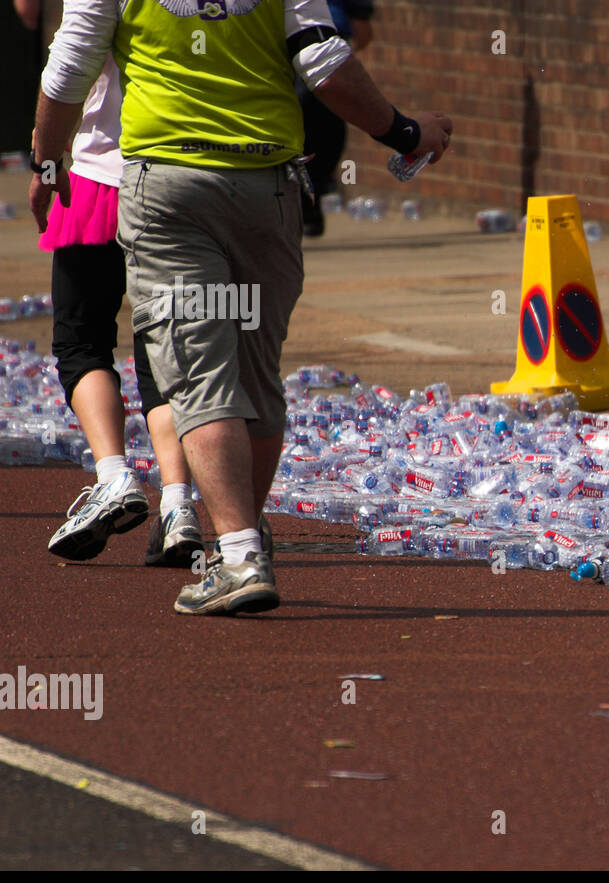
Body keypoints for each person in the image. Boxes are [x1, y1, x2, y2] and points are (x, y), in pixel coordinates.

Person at [32, 0, 452, 615]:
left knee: (201, 373)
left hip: (170, 191)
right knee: (255, 372)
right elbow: (325, 61)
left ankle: (237, 556)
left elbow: (71, 60)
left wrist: (46, 160)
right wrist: (405, 132)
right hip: (268, 188)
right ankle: (245, 538)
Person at [36, 46, 201, 567]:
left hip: (100, 177)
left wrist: (44, 163)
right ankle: (179, 506)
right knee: (167, 350)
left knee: (81, 340)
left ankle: (114, 476)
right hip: (185, 184)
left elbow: (67, 69)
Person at [299, 0, 374, 236]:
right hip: (291, 38)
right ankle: (305, 194)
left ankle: (312, 193)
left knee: (328, 122)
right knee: (307, 113)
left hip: (329, 38)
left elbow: (363, 31)